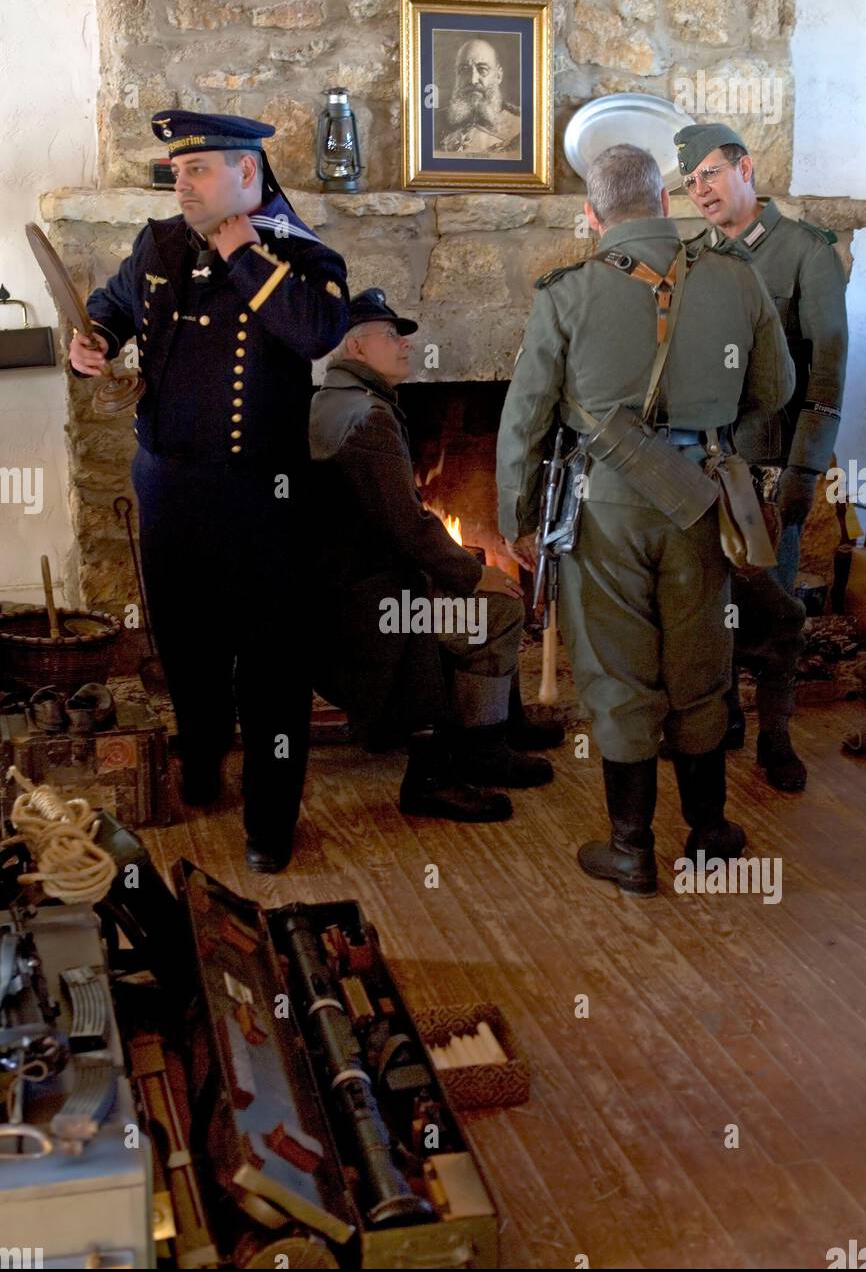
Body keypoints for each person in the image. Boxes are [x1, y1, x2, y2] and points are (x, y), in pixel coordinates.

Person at [497, 143, 795, 896]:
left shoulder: (566, 292)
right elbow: (776, 387)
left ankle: (631, 847)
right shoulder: (735, 276)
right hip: (702, 501)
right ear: (667, 203)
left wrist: (520, 516)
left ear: (593, 217)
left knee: (617, 670)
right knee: (700, 667)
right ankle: (707, 834)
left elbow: (526, 417)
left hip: (606, 507)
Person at [69, 109, 350, 873]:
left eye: (197, 170)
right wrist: (91, 338)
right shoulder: (158, 242)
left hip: (264, 497)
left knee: (269, 665)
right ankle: (199, 760)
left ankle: (269, 822)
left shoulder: (304, 255)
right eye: (178, 170)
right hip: (167, 483)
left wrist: (244, 254)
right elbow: (117, 304)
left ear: (247, 174)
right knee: (185, 645)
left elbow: (318, 332)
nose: (180, 182)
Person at [308, 288, 558, 824]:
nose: (405, 344)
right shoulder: (367, 416)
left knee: (489, 598)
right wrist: (474, 576)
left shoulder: (333, 401)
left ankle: (499, 728)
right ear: (355, 345)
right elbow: (408, 527)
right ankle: (464, 760)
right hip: (371, 609)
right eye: (392, 335)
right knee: (502, 609)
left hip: (349, 593)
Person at [673, 122, 849, 788]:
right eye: (691, 183)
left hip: (773, 469)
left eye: (711, 174)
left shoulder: (806, 252)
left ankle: (776, 735)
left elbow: (827, 374)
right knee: (707, 606)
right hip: (703, 467)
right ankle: (722, 720)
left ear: (744, 168)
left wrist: (806, 469)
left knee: (775, 614)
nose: (702, 191)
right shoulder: (690, 255)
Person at [436, 38, 521, 158]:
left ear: (498, 76)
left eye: (482, 70)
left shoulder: (521, 127)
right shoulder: (436, 122)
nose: (472, 80)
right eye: (464, 70)